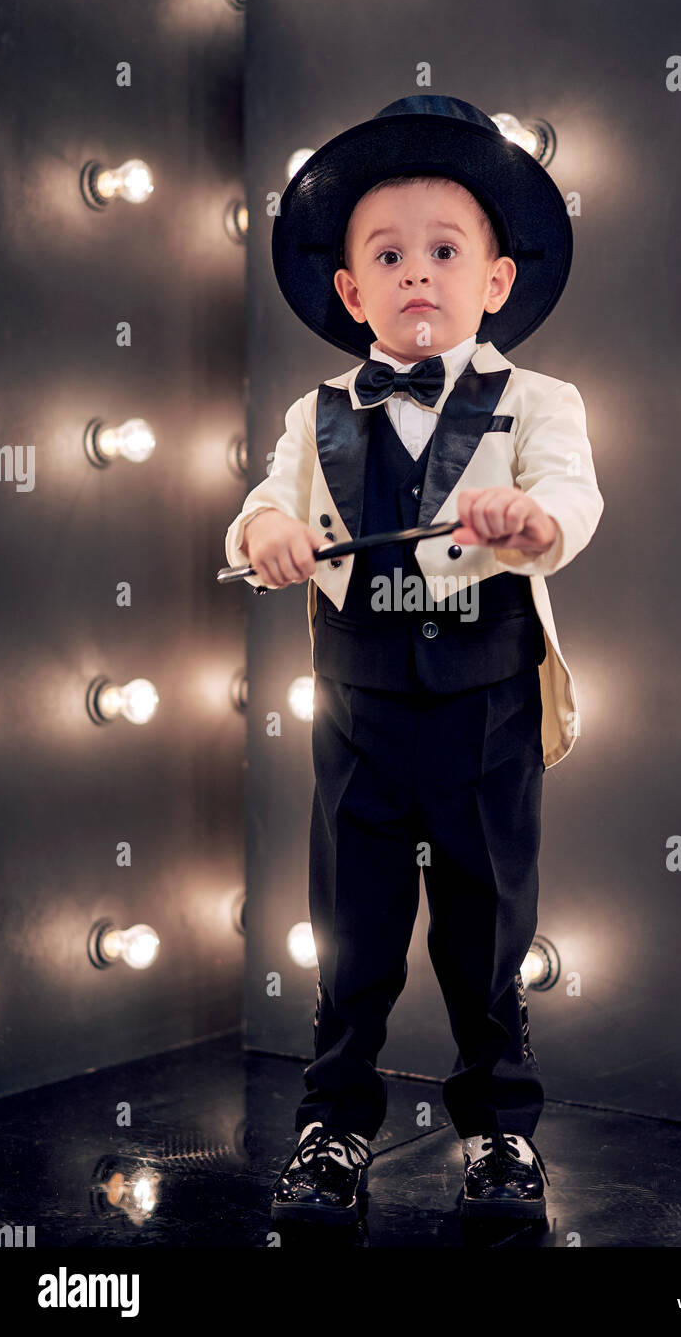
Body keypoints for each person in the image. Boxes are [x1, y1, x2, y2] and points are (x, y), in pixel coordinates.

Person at [224, 95, 604, 1224]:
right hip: (356, 704)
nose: (416, 273)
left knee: (488, 931)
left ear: (495, 280)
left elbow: (571, 498)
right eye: (387, 256)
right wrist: (266, 536)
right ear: (350, 292)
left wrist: (531, 523)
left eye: (445, 251)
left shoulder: (541, 401)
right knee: (353, 930)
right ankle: (334, 1127)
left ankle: (499, 1136)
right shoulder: (316, 412)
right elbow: (258, 513)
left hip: (487, 703)